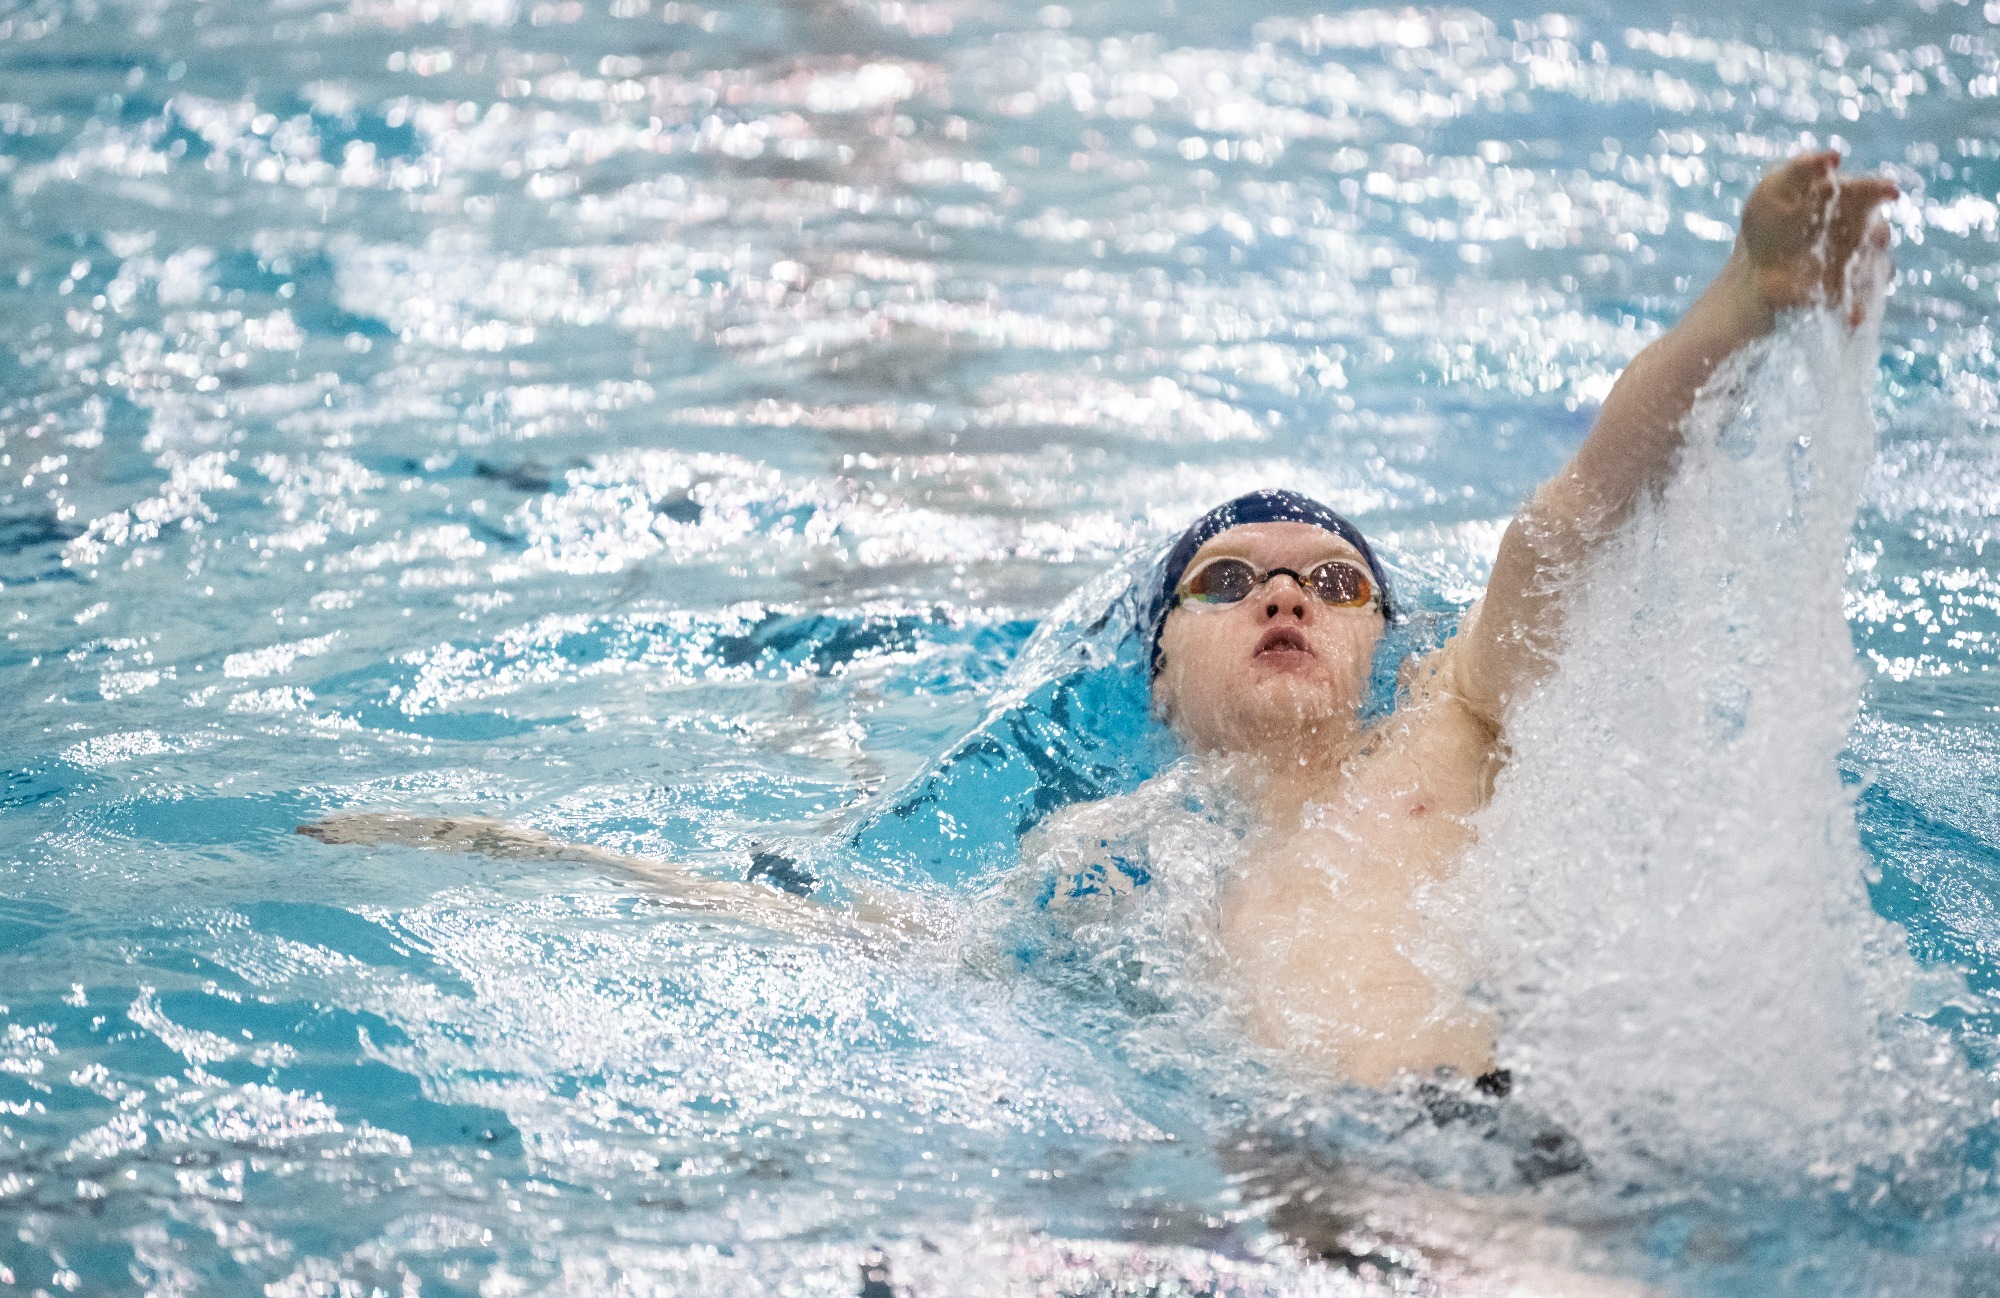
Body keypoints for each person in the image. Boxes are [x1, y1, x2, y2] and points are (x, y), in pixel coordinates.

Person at [301, 150, 1897, 1096]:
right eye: (1231, 581)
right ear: (1159, 671)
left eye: (1336, 583)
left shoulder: (1451, 727)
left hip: (1513, 1116)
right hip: (1298, 1173)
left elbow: (1564, 527)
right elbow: (864, 947)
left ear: (1389, 647)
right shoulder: (1113, 859)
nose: (1287, 591)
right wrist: (505, 848)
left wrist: (1733, 307)